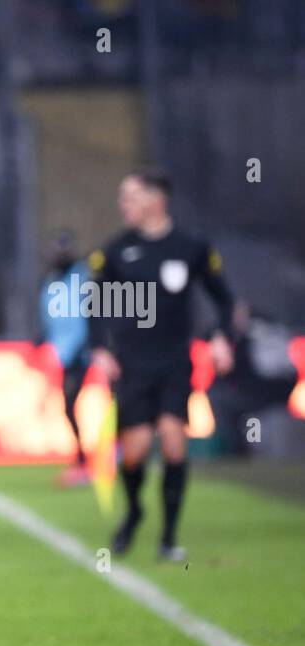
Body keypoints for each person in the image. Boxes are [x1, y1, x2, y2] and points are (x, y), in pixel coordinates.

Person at [87, 167, 236, 561]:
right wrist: (100, 348)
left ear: (156, 199)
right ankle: (135, 511)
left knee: (173, 443)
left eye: (131, 198)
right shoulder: (117, 251)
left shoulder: (192, 247)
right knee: (133, 452)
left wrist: (222, 337)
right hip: (133, 364)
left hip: (174, 361)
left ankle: (168, 538)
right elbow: (95, 305)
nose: (124, 205)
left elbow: (224, 299)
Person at [38, 230, 92, 486]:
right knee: (69, 407)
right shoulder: (51, 280)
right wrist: (43, 337)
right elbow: (54, 316)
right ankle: (83, 461)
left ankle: (91, 461)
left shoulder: (83, 276)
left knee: (73, 403)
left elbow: (93, 311)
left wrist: (91, 344)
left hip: (84, 352)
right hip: (64, 353)